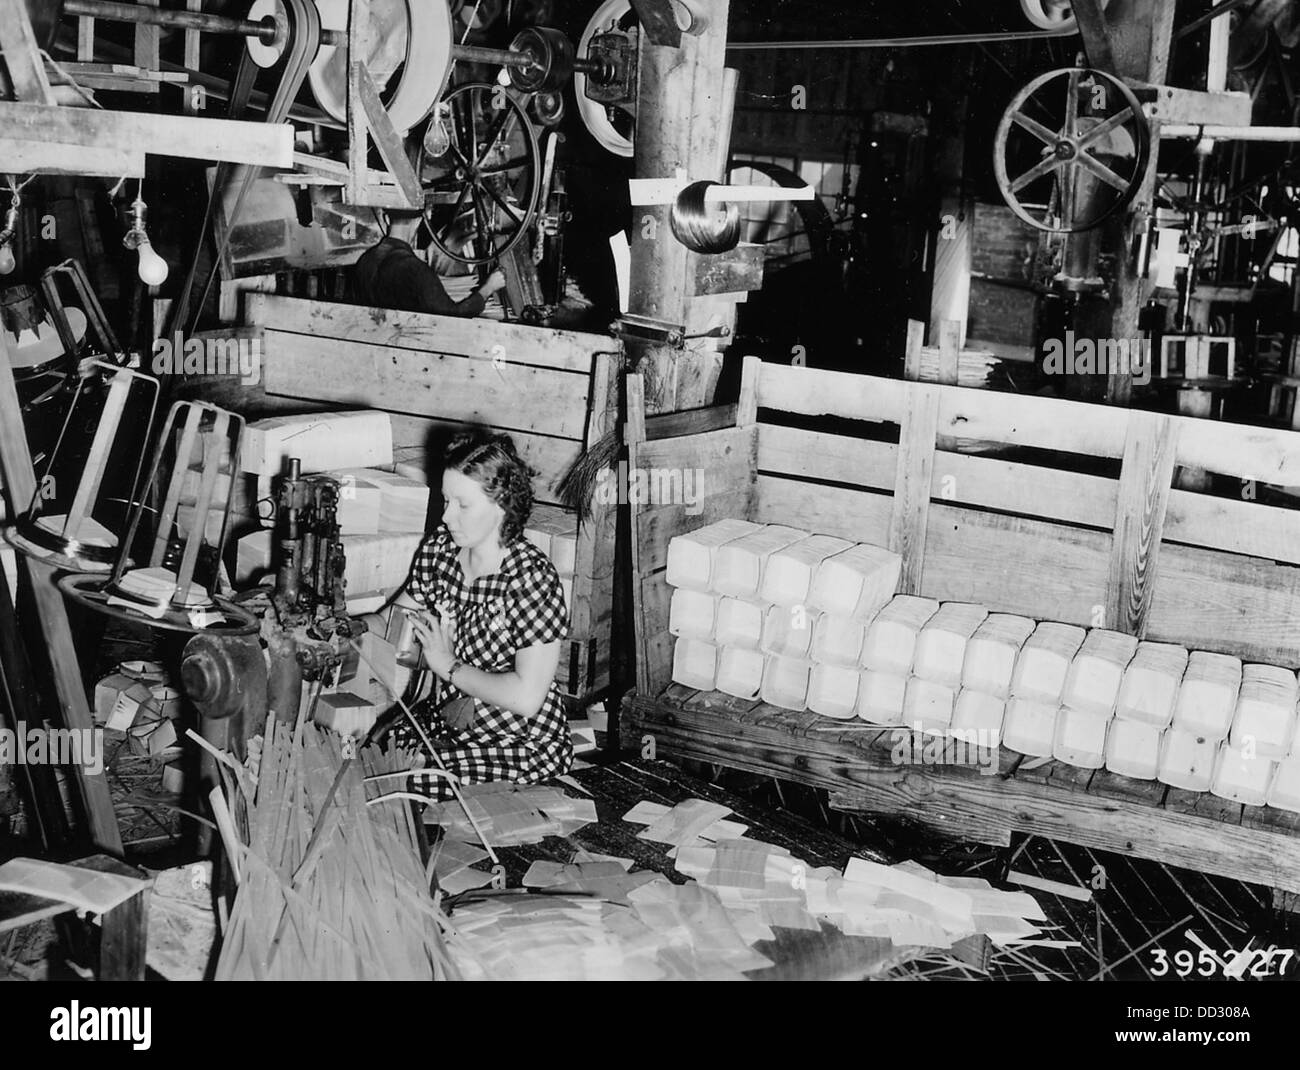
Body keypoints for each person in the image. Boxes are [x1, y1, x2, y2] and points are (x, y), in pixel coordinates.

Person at [394, 429, 573, 798]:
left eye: (462, 505)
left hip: (517, 741)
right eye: (445, 501)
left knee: (414, 785)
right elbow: (399, 612)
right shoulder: (439, 551)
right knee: (372, 759)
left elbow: (527, 697)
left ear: (501, 505)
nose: (446, 517)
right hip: (450, 726)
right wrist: (353, 630)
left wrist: (448, 667)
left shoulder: (531, 578)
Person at [351, 210, 505, 316]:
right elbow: (453, 316)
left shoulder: (365, 261)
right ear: (419, 221)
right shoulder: (414, 269)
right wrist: (488, 288)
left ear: (386, 219)